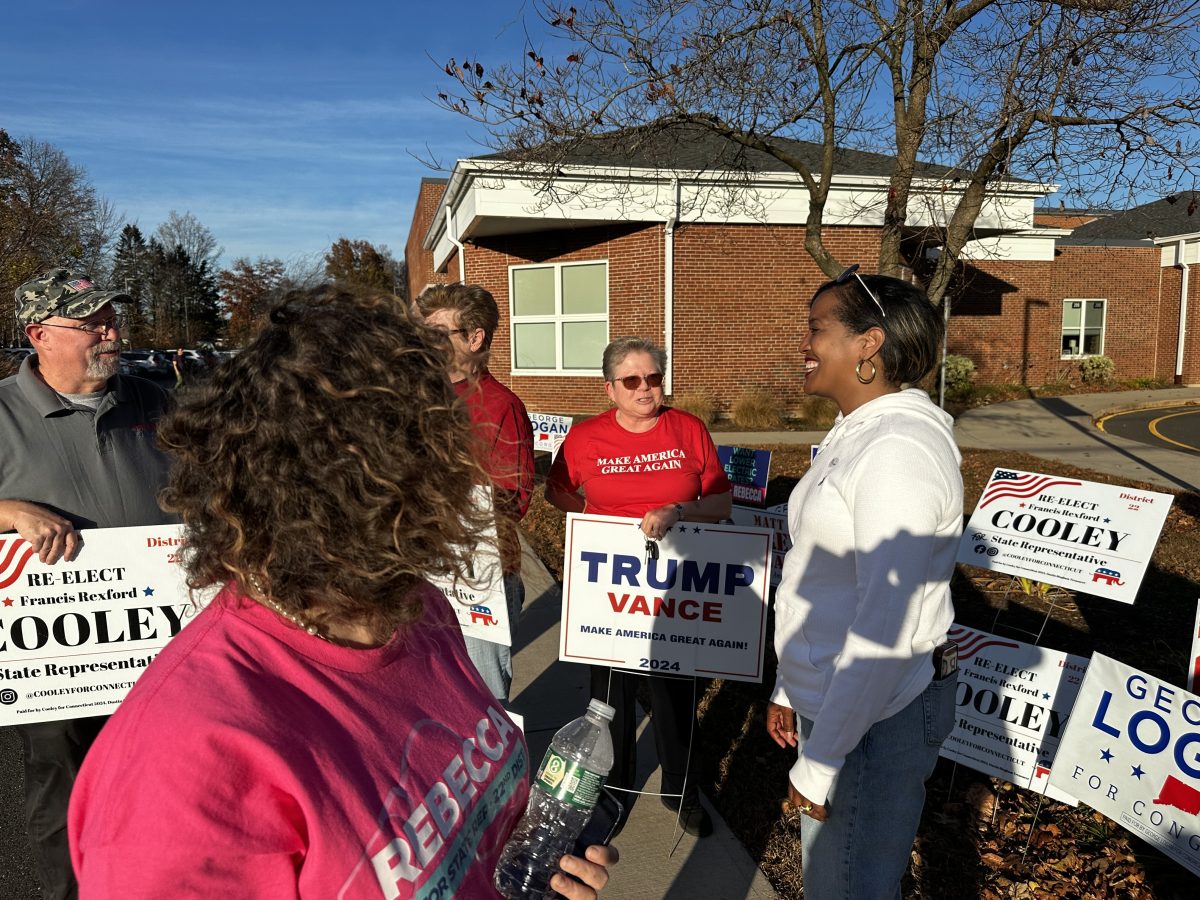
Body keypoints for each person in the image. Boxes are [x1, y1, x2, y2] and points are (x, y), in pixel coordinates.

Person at [67, 285, 616, 899]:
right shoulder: (181, 769)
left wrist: (527, 857)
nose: (458, 479)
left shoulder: (415, 609)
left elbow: (469, 819)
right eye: (437, 450)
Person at [766, 268, 962, 898]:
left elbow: (887, 624)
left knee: (846, 889)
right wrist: (790, 685)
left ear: (869, 344)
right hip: (846, 704)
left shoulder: (898, 449)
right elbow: (824, 575)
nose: (803, 344)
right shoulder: (858, 433)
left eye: (816, 329)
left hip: (881, 716)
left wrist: (819, 768)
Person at [0, 268, 175, 900]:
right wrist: (12, 512)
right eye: (90, 323)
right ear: (38, 335)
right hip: (55, 657)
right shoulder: (2, 411)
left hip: (160, 638)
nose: (110, 333)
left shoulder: (154, 402)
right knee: (64, 784)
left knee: (165, 780)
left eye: (112, 320)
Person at [546, 337, 732, 837]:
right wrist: (595, 526)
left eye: (654, 378)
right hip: (611, 584)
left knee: (674, 691)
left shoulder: (687, 428)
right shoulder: (585, 438)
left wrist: (679, 510)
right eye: (632, 381)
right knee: (609, 696)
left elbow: (720, 503)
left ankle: (682, 789)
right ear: (610, 389)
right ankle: (612, 792)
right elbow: (558, 490)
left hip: (677, 580)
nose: (646, 389)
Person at [414, 283, 535, 701]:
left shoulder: (501, 405)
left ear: (474, 337)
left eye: (437, 333)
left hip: (480, 577)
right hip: (421, 567)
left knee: (482, 695)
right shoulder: (420, 398)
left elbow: (512, 498)